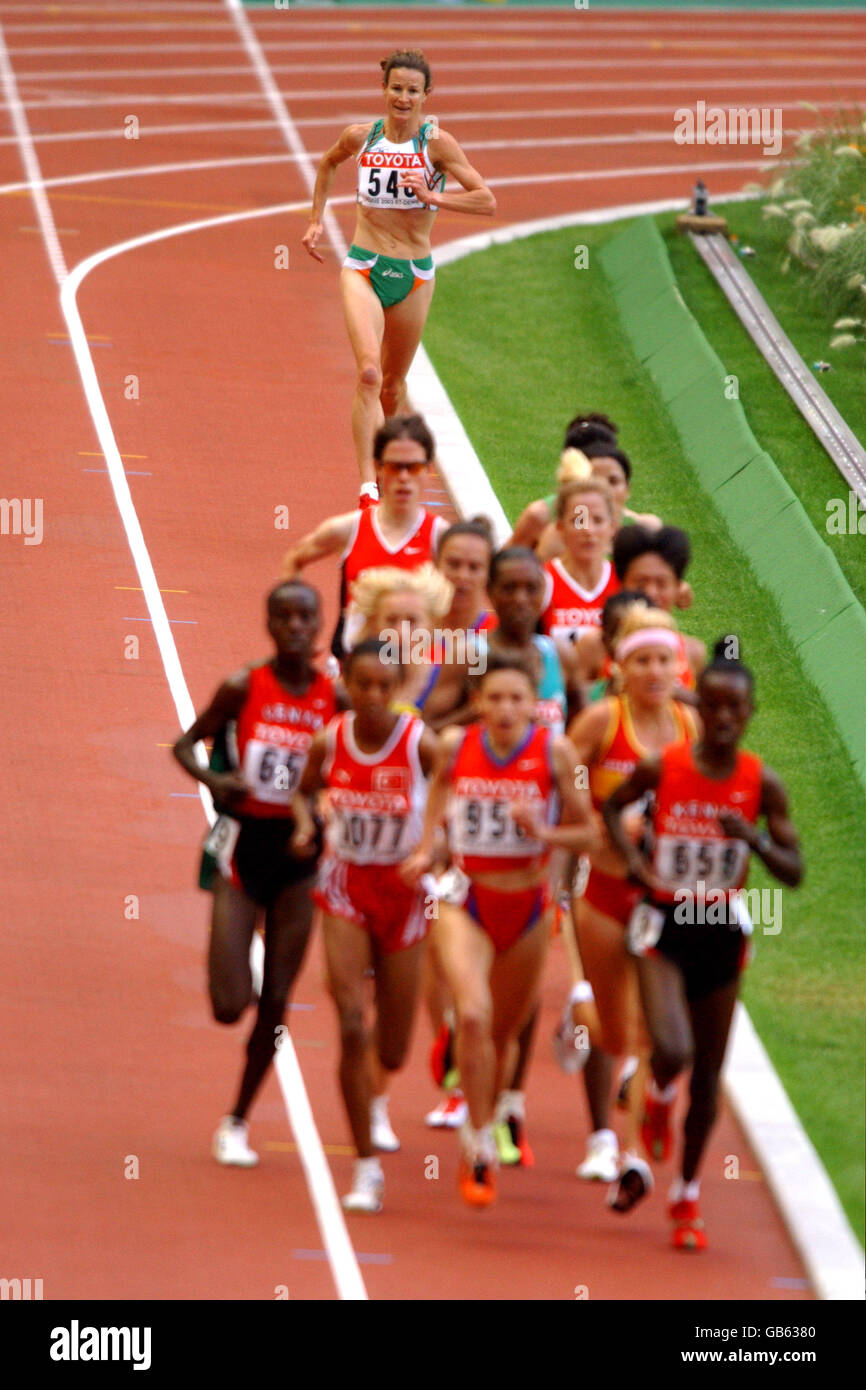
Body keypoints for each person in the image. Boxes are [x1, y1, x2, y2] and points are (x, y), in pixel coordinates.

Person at [603, 639, 802, 1249]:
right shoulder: (664, 766)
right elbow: (612, 807)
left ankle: (686, 1195)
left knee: (710, 1077)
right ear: (700, 705)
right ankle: (660, 1093)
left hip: (719, 934)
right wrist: (636, 862)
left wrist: (756, 841)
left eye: (733, 709)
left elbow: (794, 870)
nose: (720, 718)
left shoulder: (760, 782)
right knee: (672, 1046)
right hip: (663, 925)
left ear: (748, 714)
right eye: (710, 704)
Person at [401, 650, 600, 1208]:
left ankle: (485, 1118)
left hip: (529, 905)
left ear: (535, 703)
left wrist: (542, 830)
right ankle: (477, 1145)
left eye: (518, 698)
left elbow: (588, 835)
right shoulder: (455, 746)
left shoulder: (554, 752)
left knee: (500, 1036)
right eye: (495, 697)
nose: (507, 708)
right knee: (472, 1012)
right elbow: (439, 794)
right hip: (468, 899)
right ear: (477, 702)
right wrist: (426, 849)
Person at [171, 581, 339, 1165]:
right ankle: (233, 956)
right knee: (228, 1003)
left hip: (300, 859)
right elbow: (185, 745)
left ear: (320, 625)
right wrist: (216, 781)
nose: (296, 626)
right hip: (243, 849)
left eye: (306, 617)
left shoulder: (334, 697)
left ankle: (237, 1119)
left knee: (276, 1000)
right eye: (285, 617)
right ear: (269, 625)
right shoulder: (245, 686)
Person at [301, 48, 496, 495]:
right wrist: (315, 220)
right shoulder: (360, 137)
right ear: (383, 89)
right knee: (368, 374)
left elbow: (486, 200)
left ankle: (398, 470)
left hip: (414, 274)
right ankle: (369, 490)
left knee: (392, 387)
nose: (402, 98)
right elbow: (329, 162)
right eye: (395, 88)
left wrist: (433, 197)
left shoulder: (437, 145)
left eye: (412, 91)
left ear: (427, 95)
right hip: (364, 267)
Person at [299, 640, 439, 1213]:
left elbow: (452, 797)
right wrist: (314, 815)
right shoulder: (330, 739)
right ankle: (364, 1167)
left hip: (405, 895)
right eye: (364, 686)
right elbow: (305, 791)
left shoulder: (420, 744)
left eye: (386, 686)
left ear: (400, 685)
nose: (375, 697)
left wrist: (434, 847)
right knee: (353, 1023)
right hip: (346, 887)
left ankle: (381, 1092)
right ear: (348, 686)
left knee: (395, 1044)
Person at [567, 607, 699, 1195]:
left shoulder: (692, 729)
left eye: (663, 660)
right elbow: (563, 774)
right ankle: (579, 1019)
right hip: (602, 889)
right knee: (614, 1030)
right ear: (620, 668)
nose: (653, 670)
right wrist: (587, 820)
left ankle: (633, 1156)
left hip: (663, 899)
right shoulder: (602, 720)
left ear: (678, 668)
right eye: (641, 660)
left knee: (649, 1032)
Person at [281, 414, 449, 658]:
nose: (403, 477)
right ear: (378, 468)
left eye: (413, 468)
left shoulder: (442, 537)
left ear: (428, 470)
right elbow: (295, 559)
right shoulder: (348, 529)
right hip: (356, 671)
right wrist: (296, 629)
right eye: (394, 466)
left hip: (417, 671)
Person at [539, 478, 620, 646]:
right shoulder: (542, 581)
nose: (588, 530)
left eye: (597, 520)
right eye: (578, 521)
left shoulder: (624, 581)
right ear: (560, 528)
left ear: (612, 527)